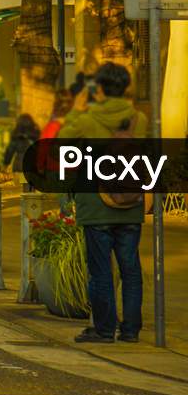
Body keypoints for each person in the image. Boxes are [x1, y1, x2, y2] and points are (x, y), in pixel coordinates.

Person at [59, 62, 145, 344]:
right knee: (130, 268)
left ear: (99, 87)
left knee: (101, 270)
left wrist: (77, 107)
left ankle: (104, 329)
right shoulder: (139, 119)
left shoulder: (87, 119)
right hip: (130, 203)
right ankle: (131, 329)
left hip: (95, 205)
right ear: (126, 87)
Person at [2, 113, 41, 183]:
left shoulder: (16, 136)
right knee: (31, 189)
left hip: (19, 166)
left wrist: (6, 163)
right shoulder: (36, 134)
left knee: (19, 189)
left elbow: (10, 150)